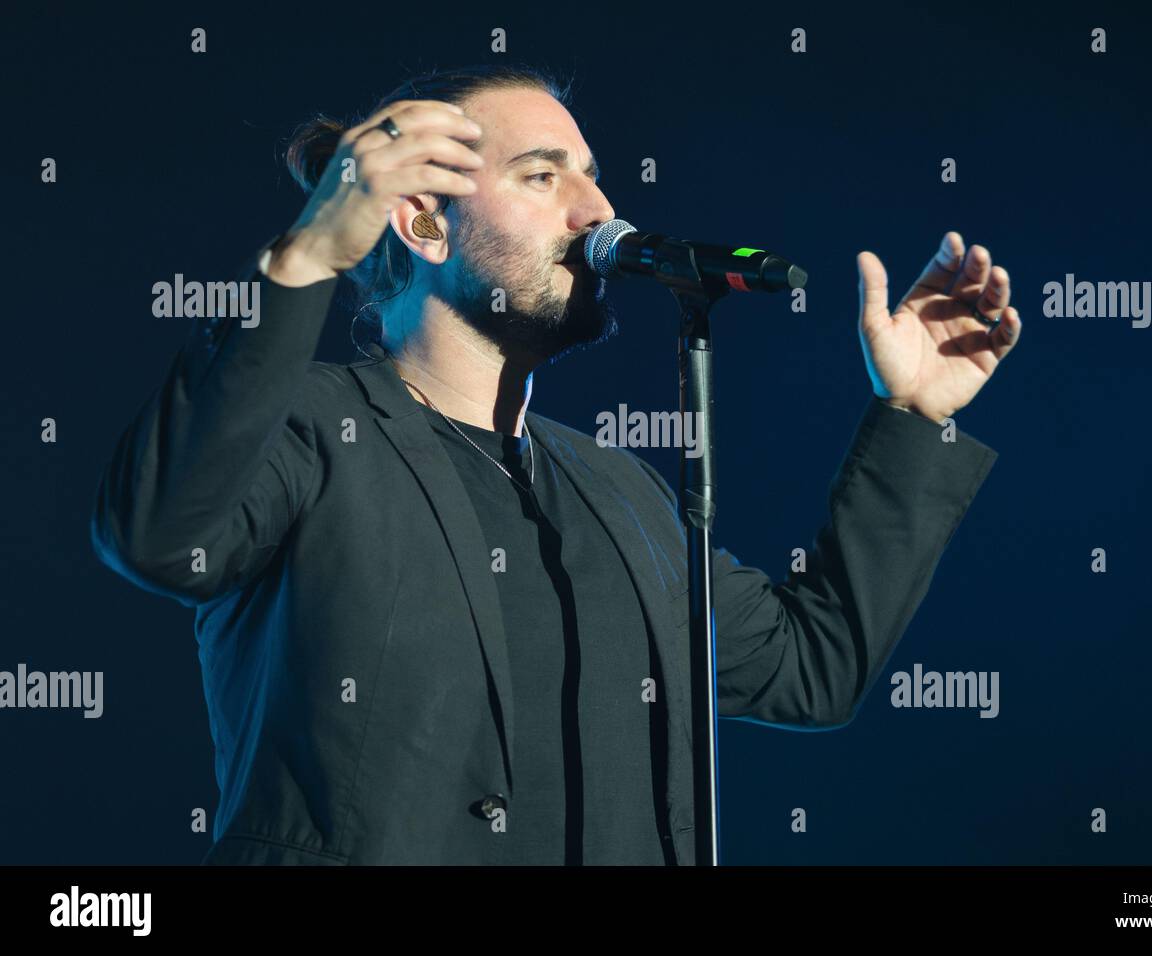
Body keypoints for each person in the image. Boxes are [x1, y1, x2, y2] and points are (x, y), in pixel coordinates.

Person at [90, 64, 1019, 865]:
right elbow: (162, 538)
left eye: (593, 176)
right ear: (420, 222)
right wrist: (304, 257)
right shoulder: (306, 428)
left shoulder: (621, 494)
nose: (598, 211)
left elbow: (812, 669)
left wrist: (912, 416)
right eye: (543, 174)